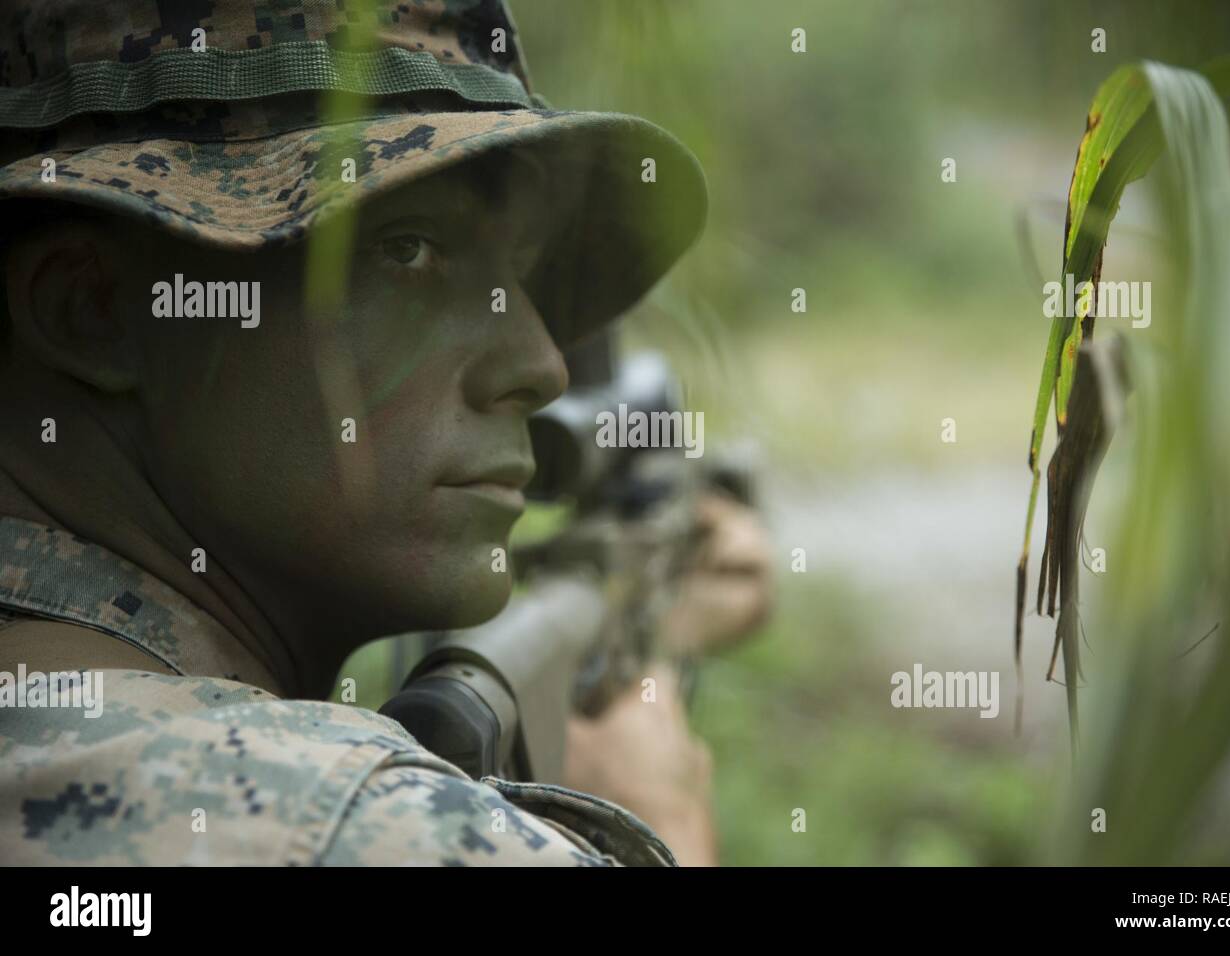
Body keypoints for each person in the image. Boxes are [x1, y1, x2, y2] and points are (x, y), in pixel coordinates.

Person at [0, 0, 769, 866]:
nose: (541, 365)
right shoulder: (359, 828)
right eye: (408, 248)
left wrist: (646, 613)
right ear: (93, 309)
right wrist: (661, 815)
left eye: (520, 274)